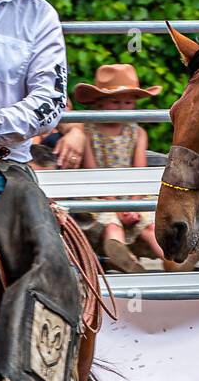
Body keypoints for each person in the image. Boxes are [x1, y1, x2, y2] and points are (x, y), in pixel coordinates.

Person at [60, 63, 168, 272]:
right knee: (111, 224)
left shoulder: (137, 133)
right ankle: (123, 259)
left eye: (128, 102)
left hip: (132, 194)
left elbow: (139, 173)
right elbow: (93, 174)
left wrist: (133, 204)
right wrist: (117, 206)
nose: (122, 108)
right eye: (115, 102)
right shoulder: (89, 130)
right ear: (99, 103)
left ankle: (172, 259)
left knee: (148, 223)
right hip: (100, 194)